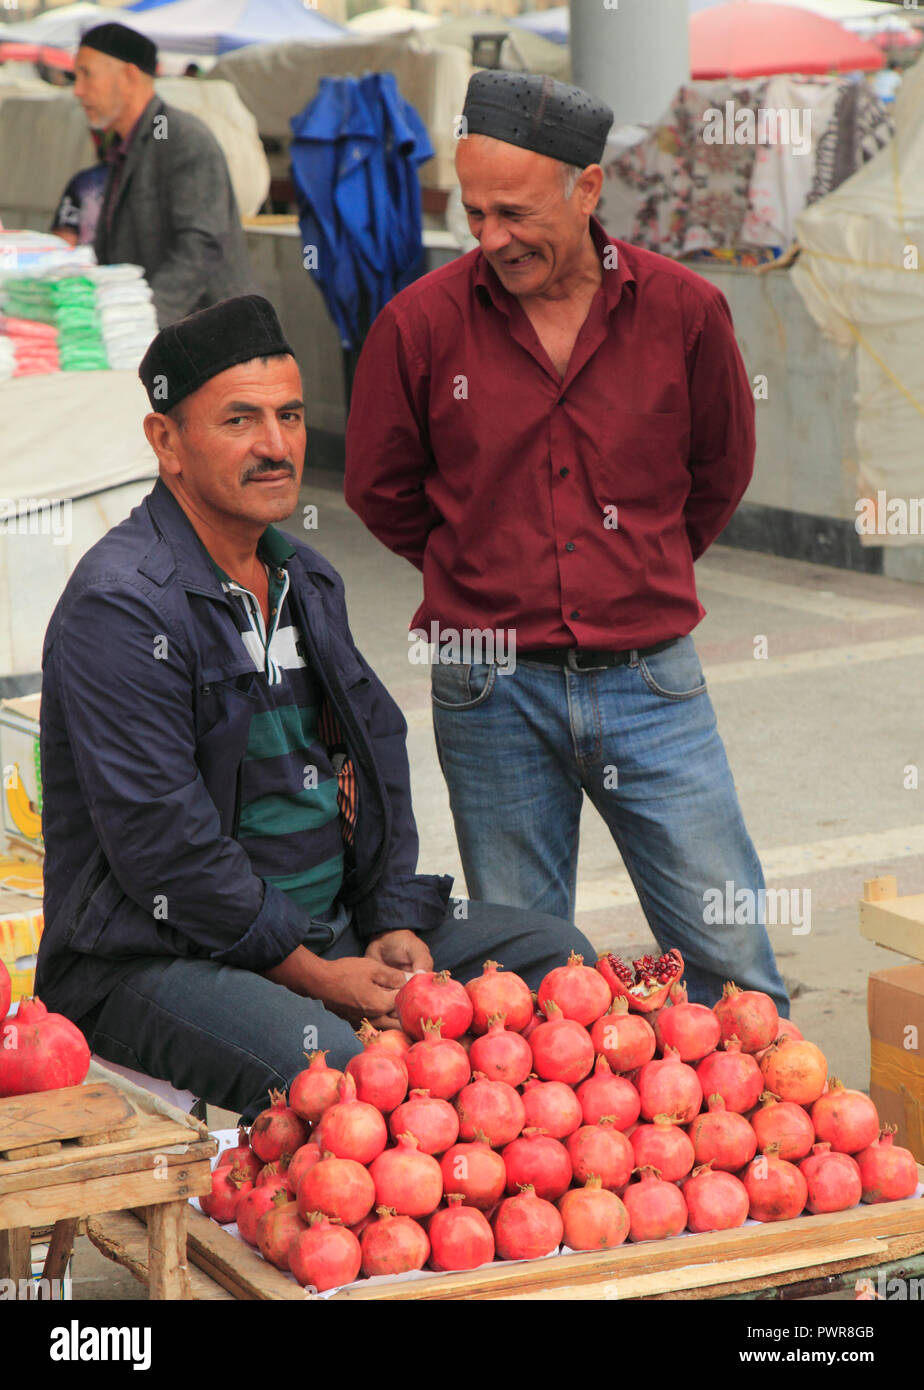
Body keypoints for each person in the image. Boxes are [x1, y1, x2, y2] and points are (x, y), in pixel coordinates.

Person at [36, 294, 596, 1122]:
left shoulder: (306, 579)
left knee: (559, 961)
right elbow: (165, 850)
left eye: (290, 416)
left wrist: (391, 917)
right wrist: (314, 974)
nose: (275, 446)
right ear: (167, 443)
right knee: (337, 1070)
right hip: (148, 957)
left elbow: (375, 754)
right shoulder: (123, 608)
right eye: (239, 420)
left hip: (325, 928)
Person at [344, 71, 790, 1014]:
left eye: (514, 210)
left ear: (587, 190)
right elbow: (380, 490)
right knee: (521, 987)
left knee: (732, 962)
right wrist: (482, 563)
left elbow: (718, 473)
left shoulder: (684, 313)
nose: (491, 237)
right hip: (487, 686)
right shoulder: (418, 326)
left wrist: (640, 572)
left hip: (653, 684)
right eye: (474, 213)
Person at [73, 22, 255, 327]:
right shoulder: (120, 145)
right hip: (157, 338)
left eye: (86, 74)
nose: (77, 90)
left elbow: (201, 246)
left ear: (129, 76)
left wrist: (143, 320)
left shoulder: (183, 138)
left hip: (211, 342)